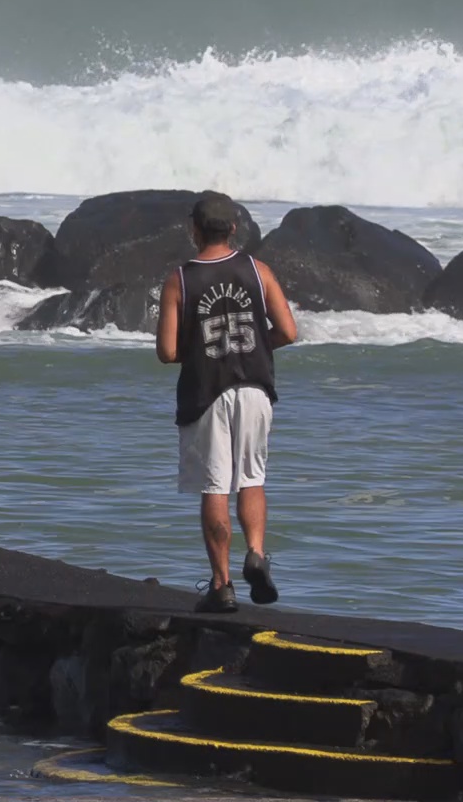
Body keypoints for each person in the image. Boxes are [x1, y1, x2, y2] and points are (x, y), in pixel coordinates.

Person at [156, 191, 298, 614]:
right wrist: (252, 348)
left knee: (214, 484)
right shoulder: (259, 270)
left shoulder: (179, 279)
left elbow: (166, 351)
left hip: (207, 392)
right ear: (235, 228)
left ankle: (222, 585)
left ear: (194, 230)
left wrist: (202, 351)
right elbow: (288, 332)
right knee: (252, 477)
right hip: (256, 387)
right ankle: (256, 552)